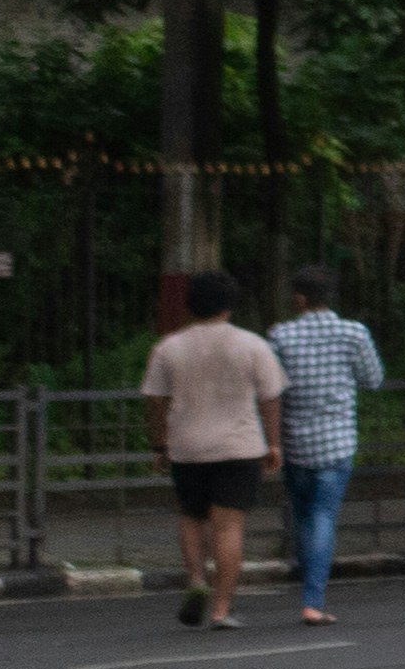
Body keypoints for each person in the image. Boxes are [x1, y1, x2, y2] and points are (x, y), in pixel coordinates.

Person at [139, 271, 286, 633]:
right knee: (228, 527)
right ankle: (221, 610)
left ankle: (196, 579)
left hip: (186, 447)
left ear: (191, 304)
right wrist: (273, 443)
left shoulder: (168, 347)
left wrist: (160, 444)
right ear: (229, 305)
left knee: (191, 517)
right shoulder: (252, 345)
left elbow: (154, 400)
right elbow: (270, 398)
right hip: (238, 447)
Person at [262, 264, 383, 629]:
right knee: (324, 515)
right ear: (329, 296)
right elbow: (373, 379)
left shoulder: (280, 336)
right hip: (337, 441)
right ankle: (313, 601)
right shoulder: (353, 333)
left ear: (299, 298)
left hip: (296, 442)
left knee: (303, 516)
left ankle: (308, 586)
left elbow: (271, 389)